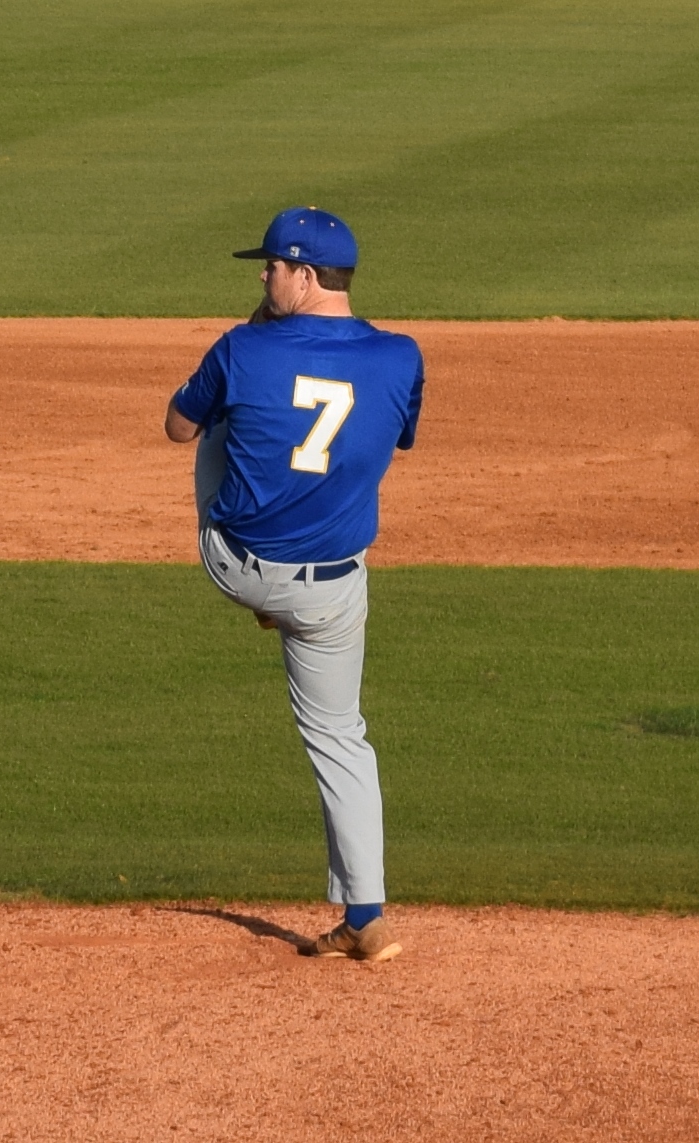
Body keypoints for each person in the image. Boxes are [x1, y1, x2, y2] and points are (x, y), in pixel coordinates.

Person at [164, 206, 424, 961]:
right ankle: (367, 914)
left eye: (273, 266)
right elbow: (392, 436)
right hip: (334, 586)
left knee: (220, 426)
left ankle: (263, 598)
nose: (263, 274)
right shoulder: (403, 354)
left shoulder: (242, 347)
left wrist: (250, 354)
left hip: (236, 560)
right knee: (343, 737)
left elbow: (178, 427)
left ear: (304, 276)